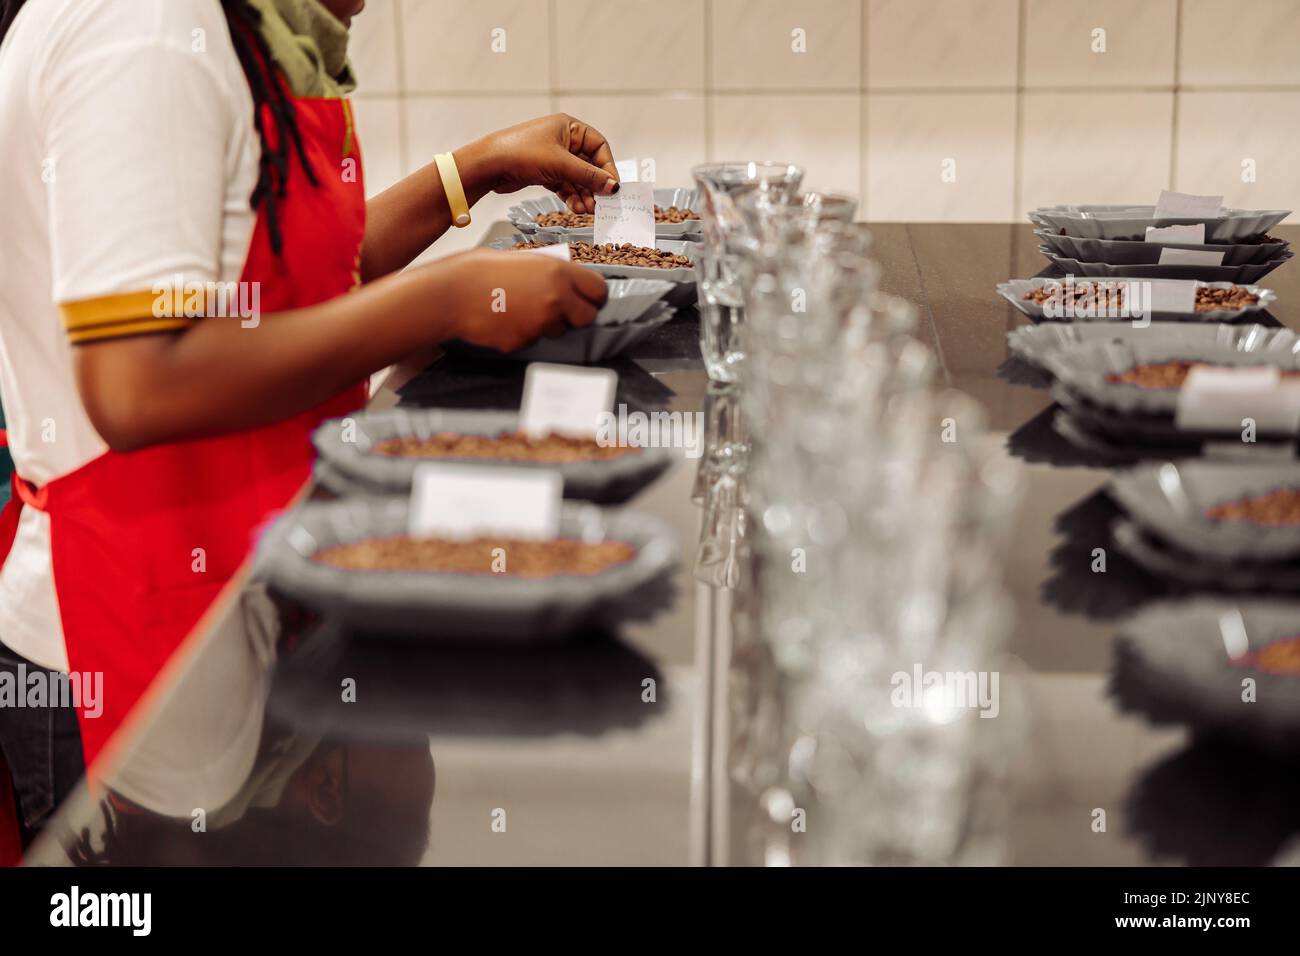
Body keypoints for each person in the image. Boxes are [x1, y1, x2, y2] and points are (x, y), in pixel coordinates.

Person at [0, 0, 621, 836]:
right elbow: (136, 379)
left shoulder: (233, 35)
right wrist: (445, 301)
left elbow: (287, 284)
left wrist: (472, 171)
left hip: (223, 594)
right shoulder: (145, 28)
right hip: (120, 641)